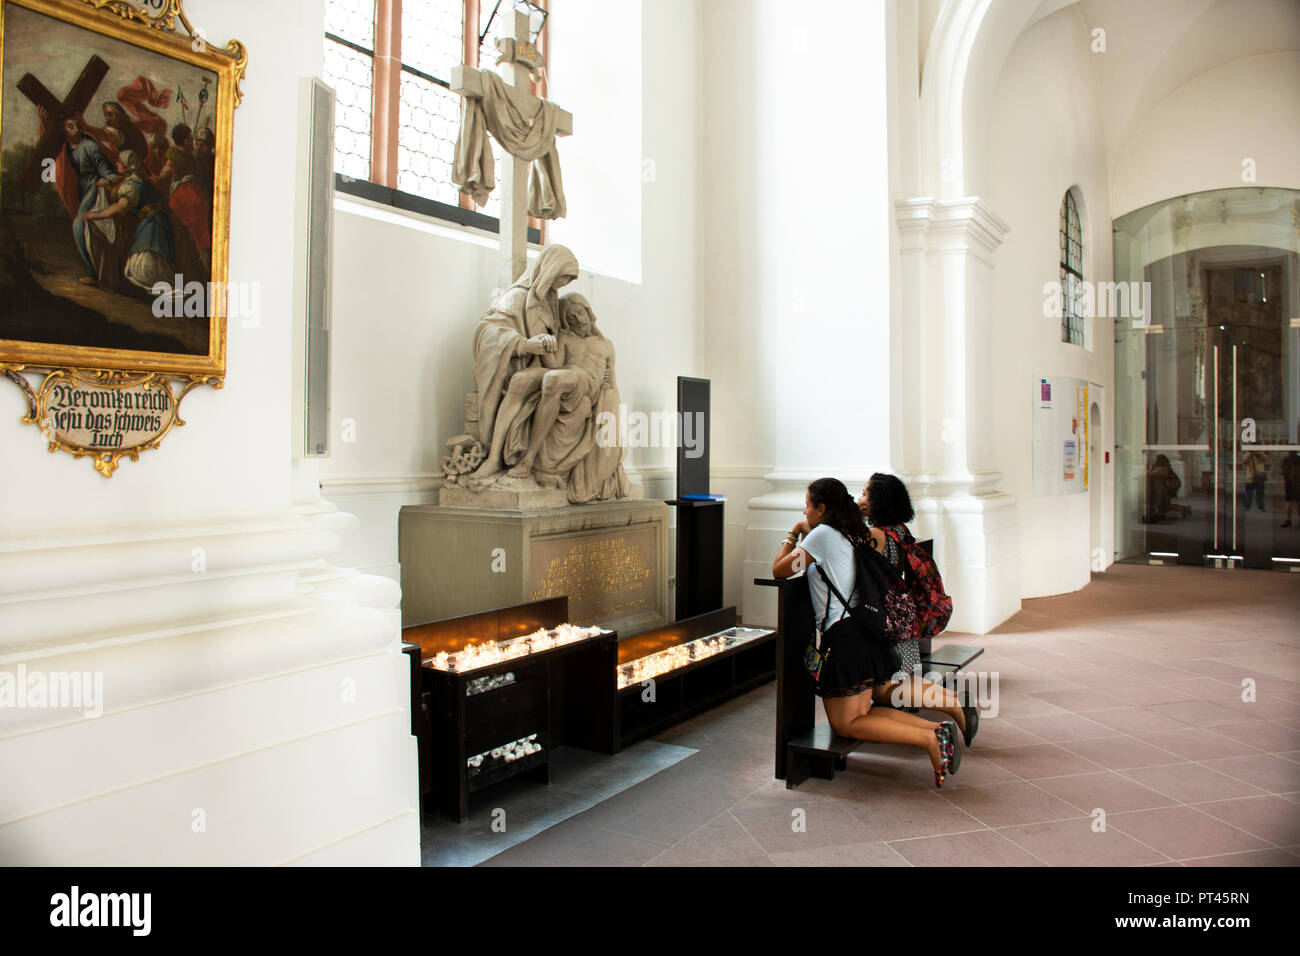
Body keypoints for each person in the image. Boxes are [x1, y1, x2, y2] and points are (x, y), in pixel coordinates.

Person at [772, 477, 961, 787]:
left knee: (847, 723)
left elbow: (780, 569)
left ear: (821, 508)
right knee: (862, 713)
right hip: (866, 633)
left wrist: (793, 533)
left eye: (807, 506)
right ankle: (932, 733)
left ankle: (931, 739)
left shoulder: (821, 535)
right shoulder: (852, 531)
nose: (804, 511)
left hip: (844, 639)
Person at [858, 472, 978, 747]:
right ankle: (953, 702)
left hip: (886, 628)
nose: (859, 497)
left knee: (890, 689)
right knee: (905, 681)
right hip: (907, 624)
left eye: (865, 493)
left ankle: (953, 708)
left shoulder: (874, 536)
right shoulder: (901, 531)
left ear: (878, 502)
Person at [467, 244, 579, 489]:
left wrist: (549, 346)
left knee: (548, 380)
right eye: (562, 277)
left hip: (550, 367)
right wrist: (524, 345)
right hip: (518, 365)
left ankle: (524, 461)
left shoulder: (550, 301)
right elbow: (488, 331)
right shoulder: (516, 297)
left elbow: (555, 351)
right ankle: (494, 457)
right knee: (519, 382)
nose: (563, 285)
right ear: (550, 269)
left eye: (568, 281)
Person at [504, 292, 630, 501]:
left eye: (580, 313)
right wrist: (542, 339)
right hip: (570, 380)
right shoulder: (565, 339)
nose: (578, 319)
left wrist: (610, 408)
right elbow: (553, 364)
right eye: (571, 317)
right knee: (552, 379)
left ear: (589, 313)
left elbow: (612, 384)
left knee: (555, 379)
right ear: (566, 322)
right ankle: (529, 458)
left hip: (589, 383)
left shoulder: (606, 344)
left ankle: (528, 459)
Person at [83, 150, 176, 292]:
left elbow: (120, 208)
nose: (117, 164)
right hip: (160, 222)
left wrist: (95, 215)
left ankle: (157, 289)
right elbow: (125, 194)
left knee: (142, 264)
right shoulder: (141, 180)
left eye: (119, 162)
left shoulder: (130, 186)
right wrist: (109, 188)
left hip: (150, 225)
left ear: (126, 167)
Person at [1283, 451, 1300, 528]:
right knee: (1298, 502)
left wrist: (1286, 477)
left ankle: (1288, 520)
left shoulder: (1286, 459)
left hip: (1289, 483)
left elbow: (1282, 471)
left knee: (1288, 502)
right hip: (1298, 484)